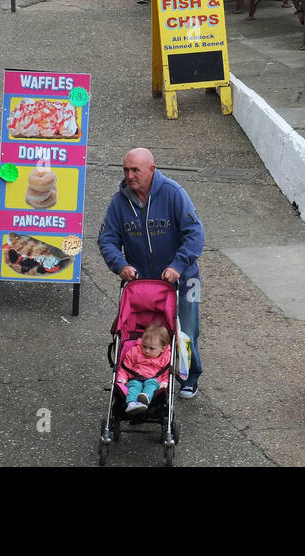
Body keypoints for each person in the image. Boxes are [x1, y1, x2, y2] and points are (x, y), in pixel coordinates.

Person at [98, 148, 205, 398]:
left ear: (152, 170)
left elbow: (195, 233)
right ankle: (147, 374)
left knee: (186, 331)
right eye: (126, 170)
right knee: (145, 332)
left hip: (185, 279)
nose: (130, 175)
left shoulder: (173, 194)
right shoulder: (119, 203)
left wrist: (178, 265)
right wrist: (120, 264)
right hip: (143, 283)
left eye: (135, 170)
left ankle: (189, 377)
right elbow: (107, 239)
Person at [118, 321, 173, 416]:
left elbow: (166, 373)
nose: (147, 351)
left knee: (152, 385)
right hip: (135, 378)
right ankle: (131, 404)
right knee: (134, 386)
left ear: (163, 349)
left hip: (154, 379)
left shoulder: (165, 357)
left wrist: (164, 383)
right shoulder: (135, 351)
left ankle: (144, 398)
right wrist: (122, 378)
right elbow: (125, 367)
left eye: (151, 349)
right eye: (144, 346)